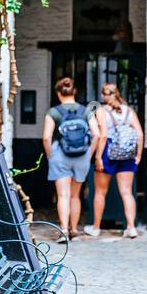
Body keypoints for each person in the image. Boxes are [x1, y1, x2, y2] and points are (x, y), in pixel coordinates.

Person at [42, 77, 100, 239]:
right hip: (82, 156)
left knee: (63, 195)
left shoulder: (54, 112)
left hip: (60, 155)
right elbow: (97, 134)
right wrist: (89, 154)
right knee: (75, 195)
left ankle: (64, 230)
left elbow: (46, 137)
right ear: (74, 92)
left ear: (58, 93)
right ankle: (74, 229)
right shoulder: (86, 111)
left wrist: (50, 155)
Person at [84, 83, 144, 238]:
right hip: (127, 155)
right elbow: (140, 135)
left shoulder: (102, 111)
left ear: (104, 95)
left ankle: (96, 227)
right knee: (127, 192)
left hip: (108, 153)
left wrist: (97, 157)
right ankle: (131, 227)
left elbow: (103, 135)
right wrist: (138, 155)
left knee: (100, 192)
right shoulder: (129, 111)